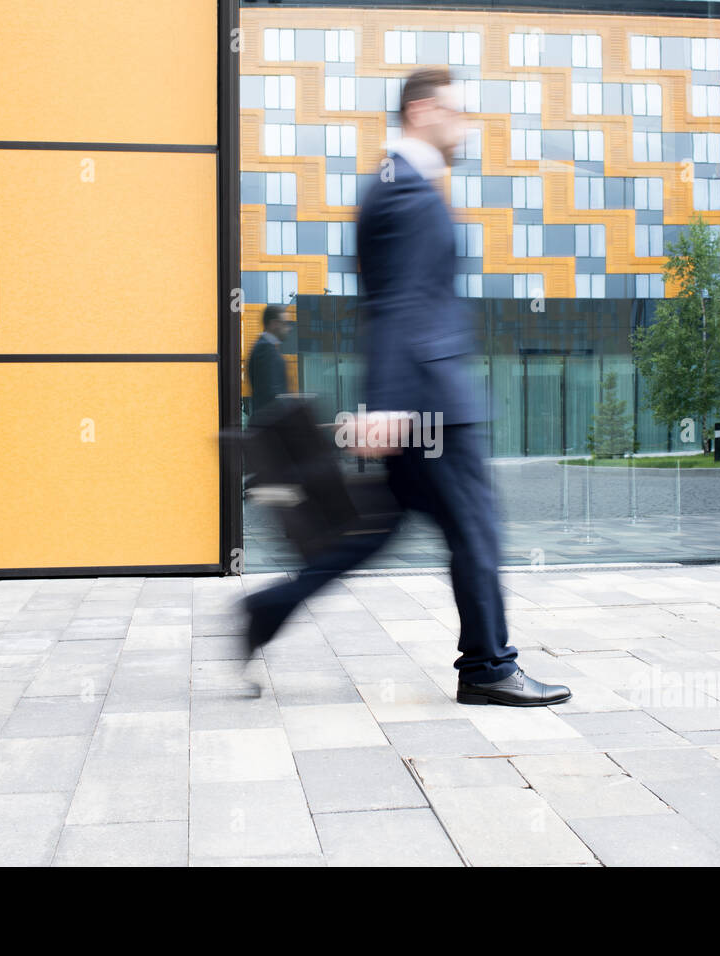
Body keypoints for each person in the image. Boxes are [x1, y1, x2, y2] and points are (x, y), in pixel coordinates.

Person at [240, 68, 570, 707]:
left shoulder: (402, 187)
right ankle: (489, 668)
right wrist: (390, 404)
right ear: (421, 111)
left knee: (372, 534)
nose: (467, 124)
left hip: (424, 401)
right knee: (476, 531)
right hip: (433, 408)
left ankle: (265, 610)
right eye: (457, 112)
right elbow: (398, 304)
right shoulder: (404, 193)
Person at [247, 303, 294, 419]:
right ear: (274, 324)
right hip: (269, 427)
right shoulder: (265, 349)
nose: (289, 328)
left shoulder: (265, 347)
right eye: (285, 324)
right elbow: (270, 394)